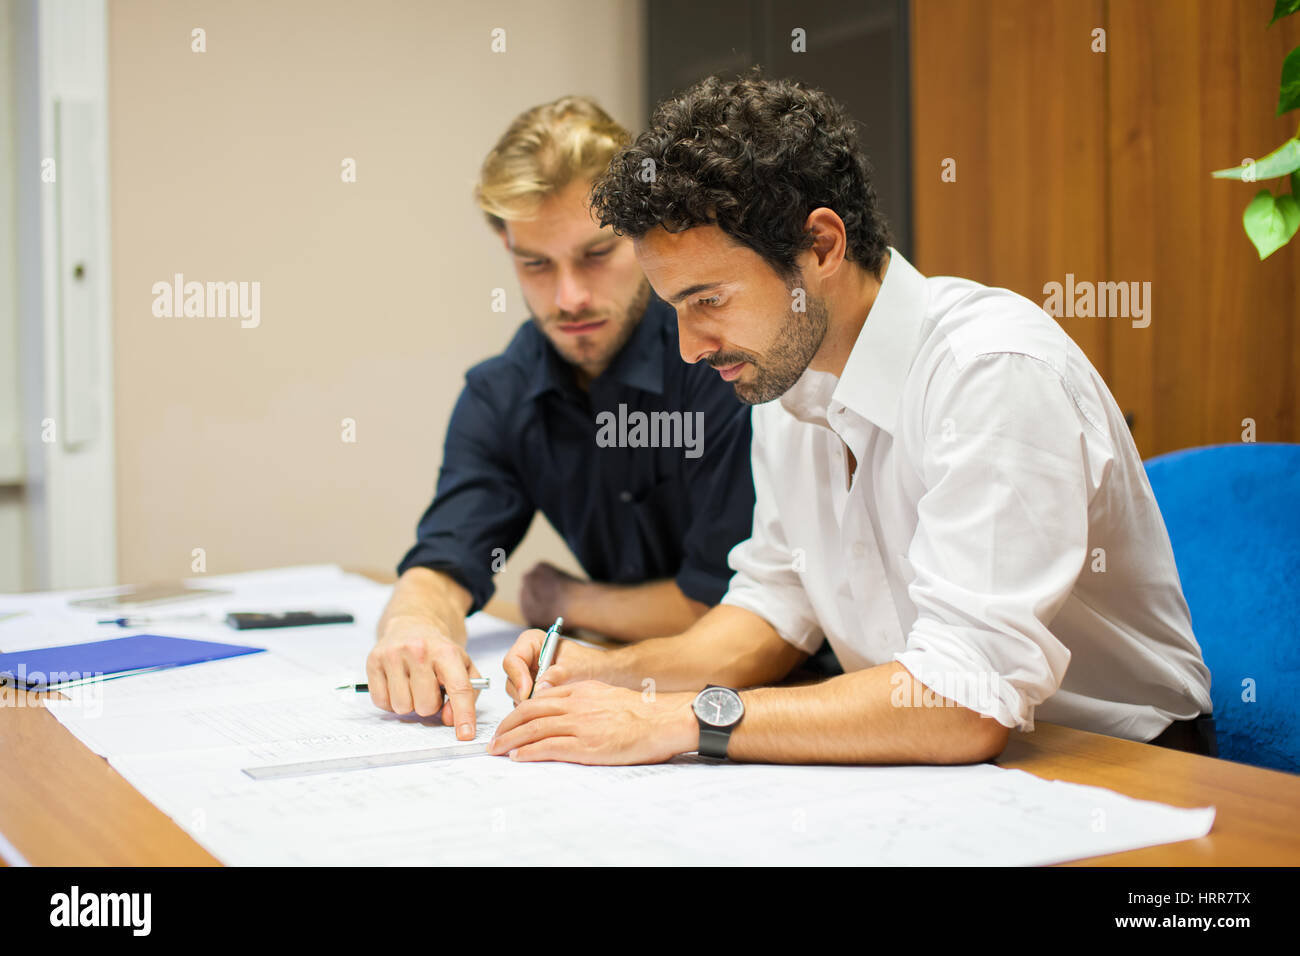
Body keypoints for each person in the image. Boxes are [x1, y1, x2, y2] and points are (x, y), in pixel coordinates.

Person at [490, 74, 1215, 766]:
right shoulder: (784, 376)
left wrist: (681, 718)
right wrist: (610, 675)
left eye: (708, 300)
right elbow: (774, 608)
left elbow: (963, 699)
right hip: (928, 757)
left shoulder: (990, 370)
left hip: (1114, 764)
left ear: (823, 246)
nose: (689, 347)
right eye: (675, 308)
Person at [368, 96, 755, 742]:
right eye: (536, 264)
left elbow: (730, 606)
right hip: (622, 706)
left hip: (755, 700)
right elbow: (443, 563)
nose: (569, 297)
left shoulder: (720, 363)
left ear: (643, 231)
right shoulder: (502, 396)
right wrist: (414, 624)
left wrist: (573, 602)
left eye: (596, 254)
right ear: (505, 243)